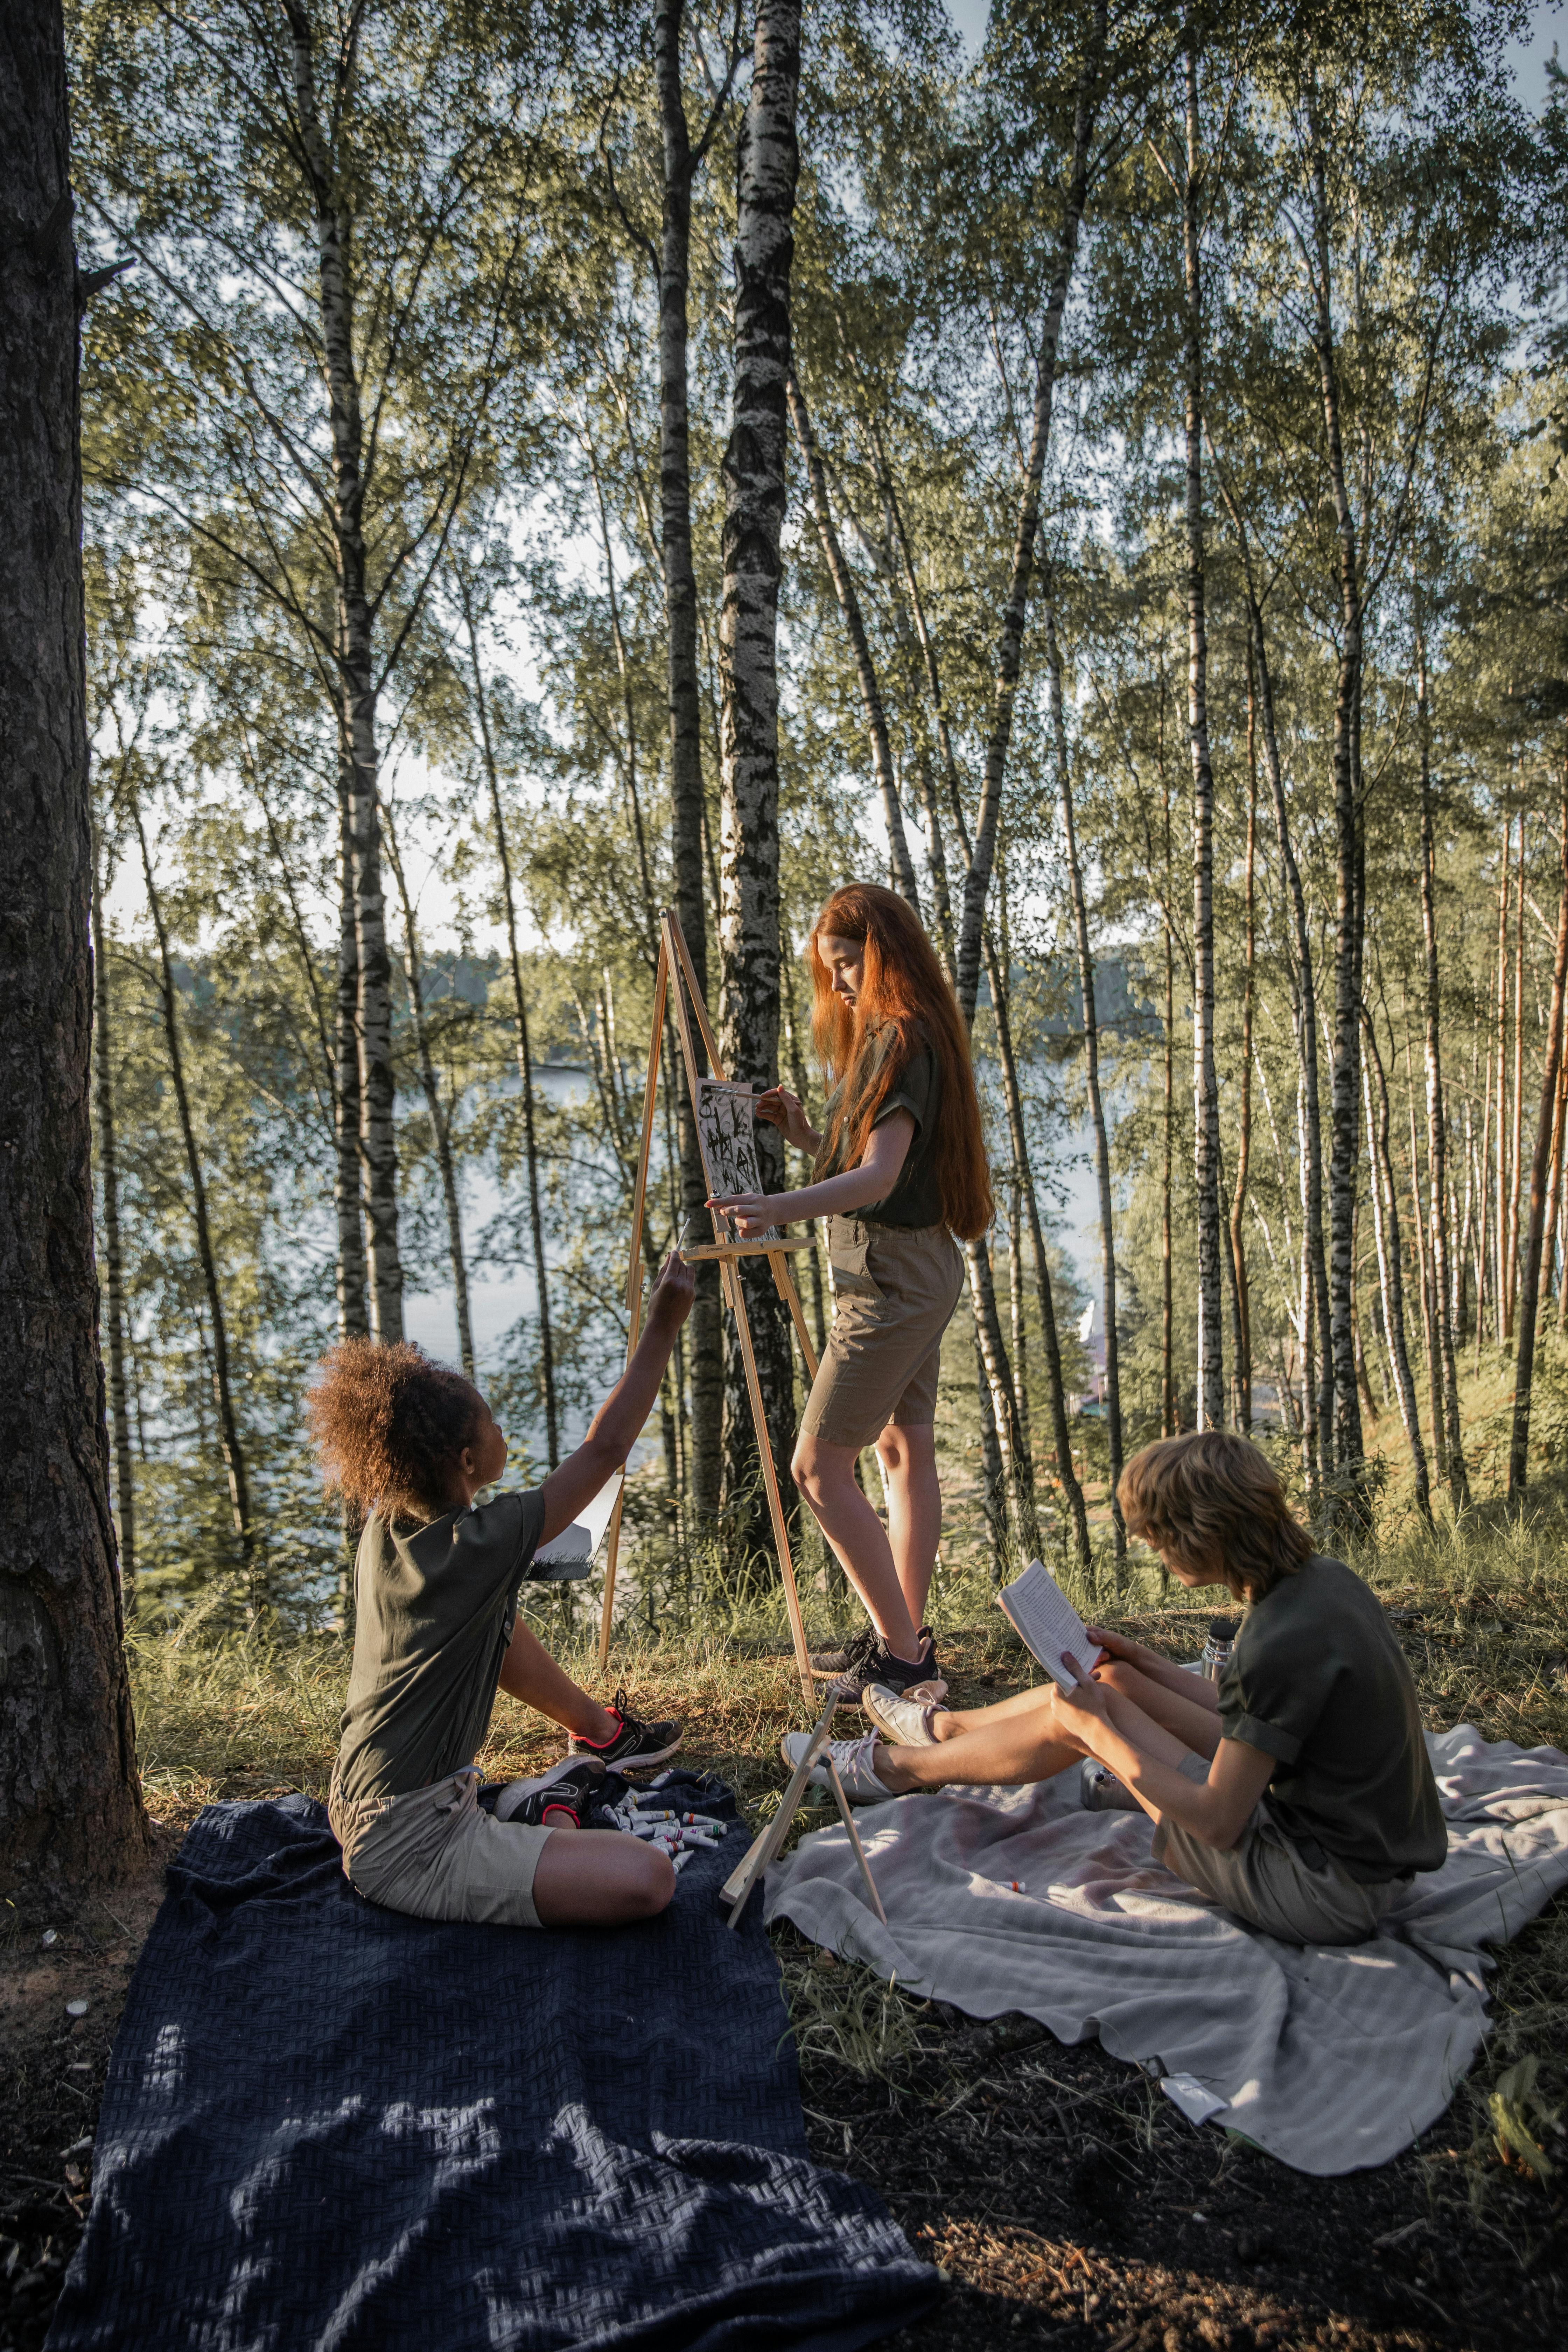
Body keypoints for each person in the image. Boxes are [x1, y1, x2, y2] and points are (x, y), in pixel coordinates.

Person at [784, 1430, 1447, 1947]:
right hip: (1350, 1856)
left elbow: (1219, 1821)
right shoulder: (1320, 1586)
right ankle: (940, 1732)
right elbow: (1254, 1724)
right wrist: (1147, 1667)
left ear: (1200, 1536)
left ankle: (899, 1767)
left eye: (1159, 1541)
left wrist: (1101, 1736)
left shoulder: (1275, 1642)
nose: (1158, 1555)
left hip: (1320, 1891)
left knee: (1083, 1715)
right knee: (1111, 1680)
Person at [308, 1252, 696, 1930]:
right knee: (648, 1878)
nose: (500, 1430)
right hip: (409, 1846)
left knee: (496, 1616)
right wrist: (662, 1325)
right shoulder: (475, 1548)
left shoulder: (391, 1518)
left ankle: (593, 1741)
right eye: (489, 1424)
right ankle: (529, 1811)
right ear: (465, 1461)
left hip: (357, 1793)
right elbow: (604, 1451)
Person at [708, 882, 993, 1705]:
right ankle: (903, 1637)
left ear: (882, 957)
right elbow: (869, 1163)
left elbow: (878, 1177)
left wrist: (771, 1208)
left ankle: (904, 1662)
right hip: (915, 1267)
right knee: (901, 1454)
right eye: (826, 970)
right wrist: (802, 1132)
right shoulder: (904, 1034)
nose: (834, 985)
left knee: (816, 1468)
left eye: (846, 966)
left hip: (890, 1279)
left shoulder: (898, 1039)